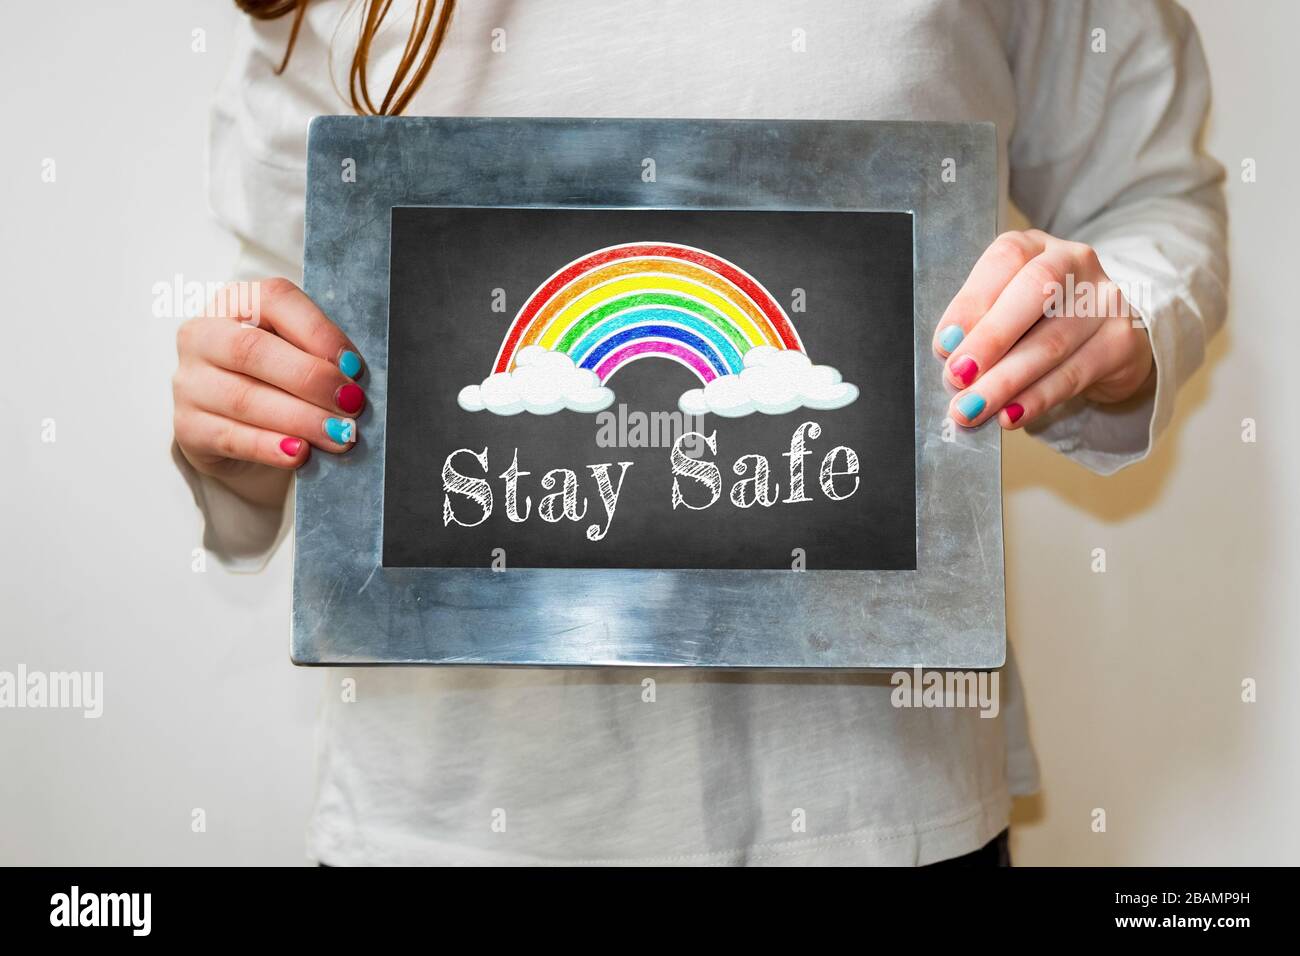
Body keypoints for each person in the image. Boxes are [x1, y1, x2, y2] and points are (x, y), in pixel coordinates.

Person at [171, 0, 1227, 865]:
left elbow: (1154, 202)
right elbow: (272, 328)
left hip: (881, 818)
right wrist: (236, 432)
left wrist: (1114, 321)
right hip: (441, 825)